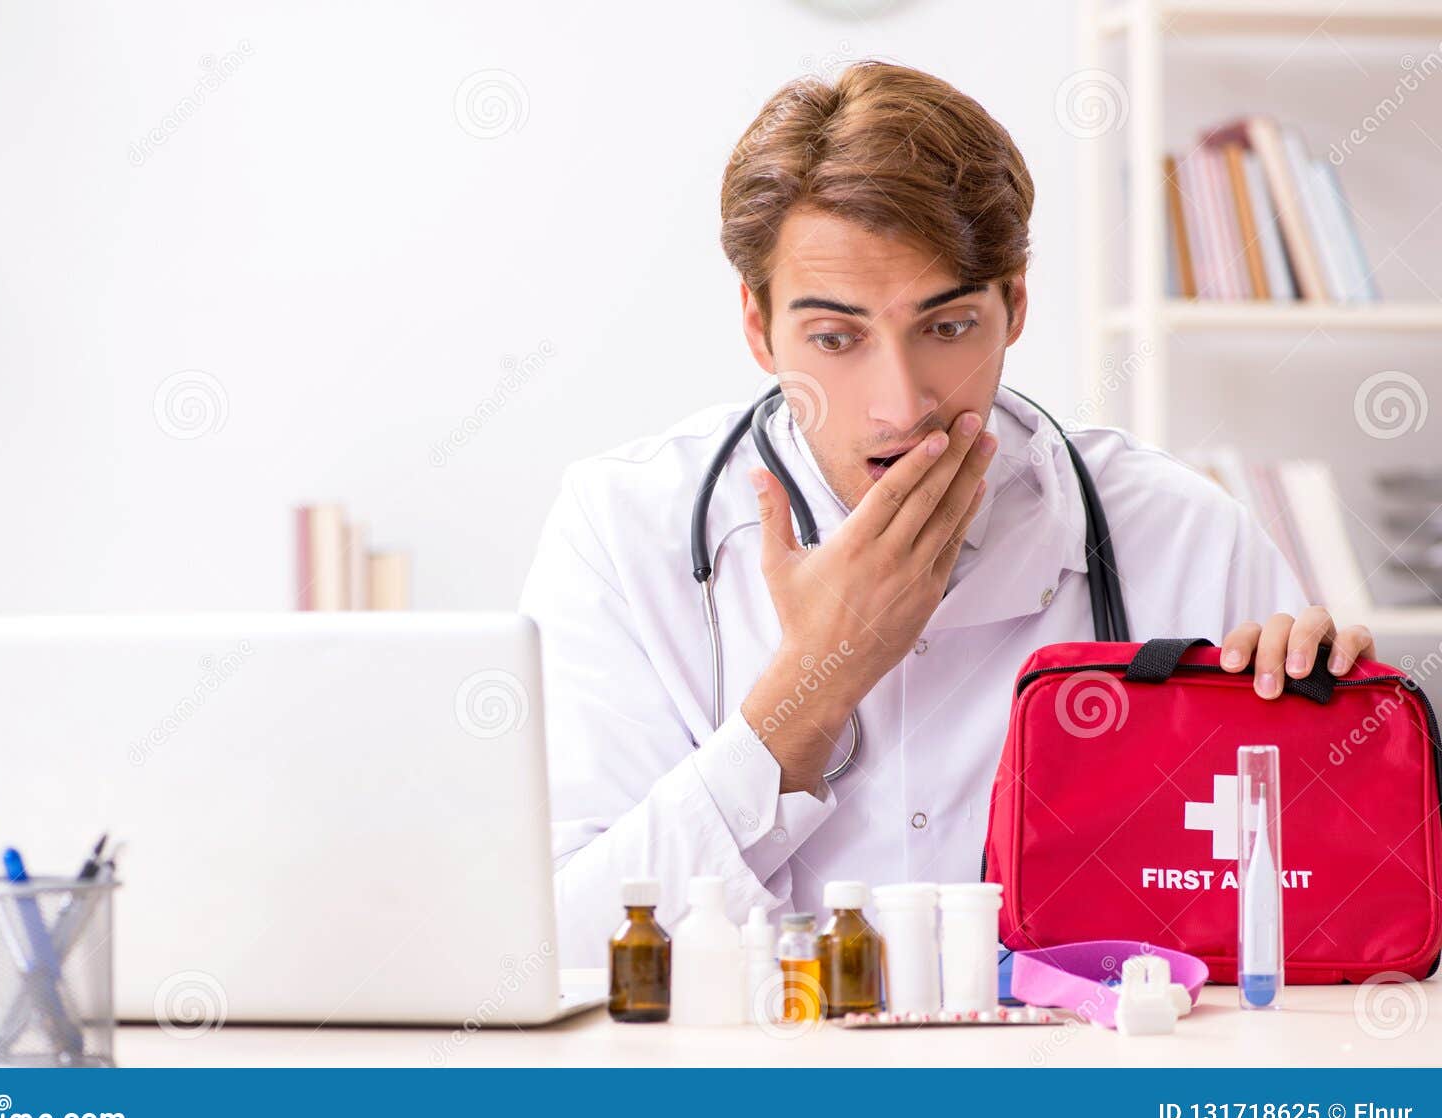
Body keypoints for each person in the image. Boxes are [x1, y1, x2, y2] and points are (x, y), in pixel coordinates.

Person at [519, 62, 1375, 965]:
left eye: (948, 327)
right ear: (758, 328)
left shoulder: (1184, 536)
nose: (900, 407)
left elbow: (1322, 925)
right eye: (835, 338)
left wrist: (1326, 745)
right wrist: (811, 684)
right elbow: (559, 944)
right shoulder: (620, 531)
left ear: (1013, 307)